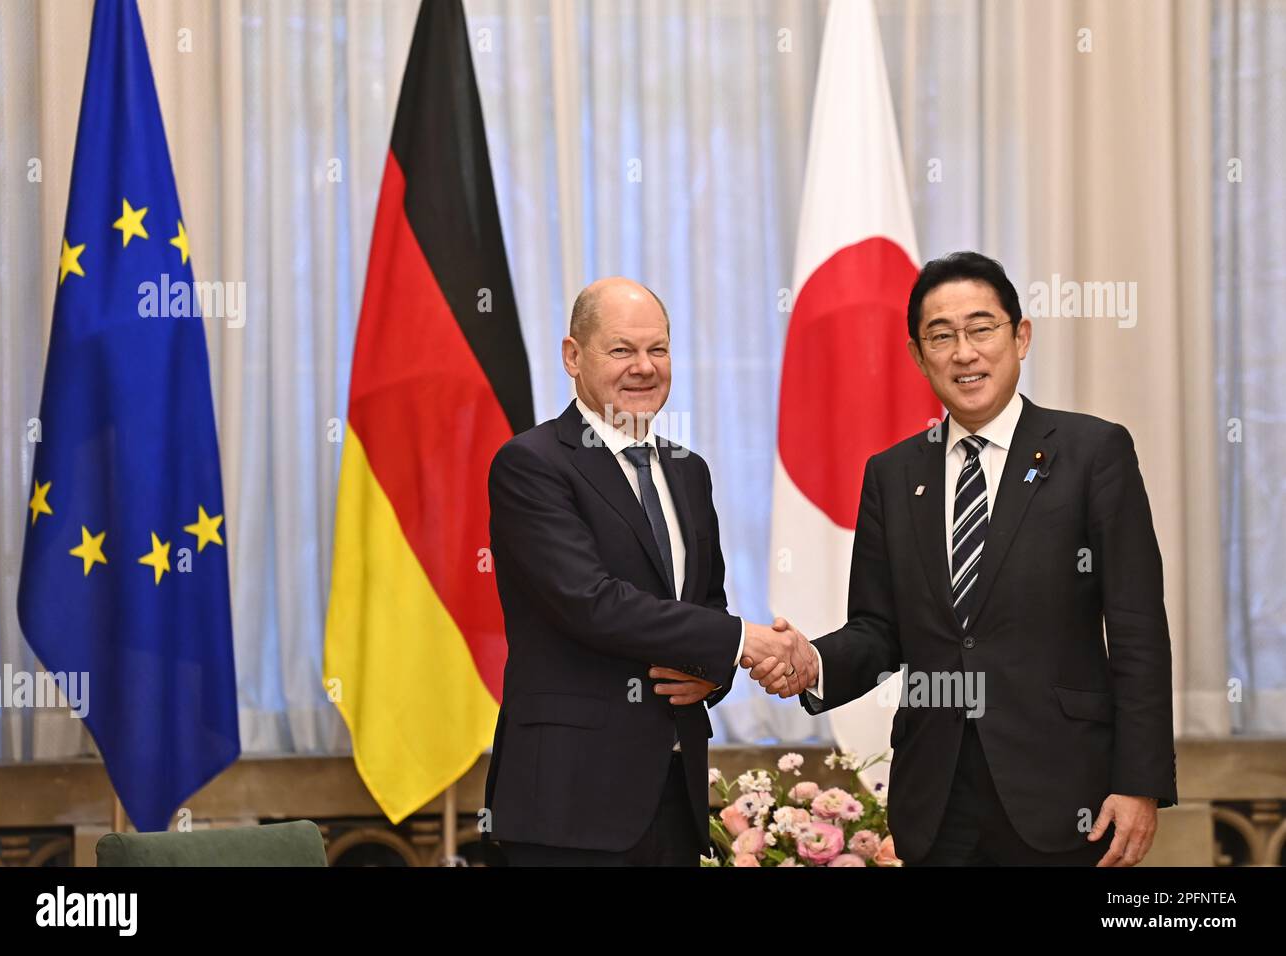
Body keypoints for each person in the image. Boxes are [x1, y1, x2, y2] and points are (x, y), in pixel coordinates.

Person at [750, 251, 1177, 866]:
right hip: (937, 799)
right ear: (919, 355)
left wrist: (1139, 782)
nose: (964, 352)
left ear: (1020, 336)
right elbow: (880, 630)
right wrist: (812, 660)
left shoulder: (1093, 453)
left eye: (981, 329)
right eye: (941, 336)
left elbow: (1138, 628)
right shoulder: (893, 474)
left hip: (1064, 796)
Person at [484, 276, 800, 866]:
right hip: (568, 804)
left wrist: (714, 673)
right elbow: (591, 602)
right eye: (622, 349)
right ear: (573, 357)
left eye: (658, 349)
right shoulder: (532, 464)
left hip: (674, 797)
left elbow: (704, 604)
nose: (644, 367)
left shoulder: (688, 471)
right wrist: (741, 642)